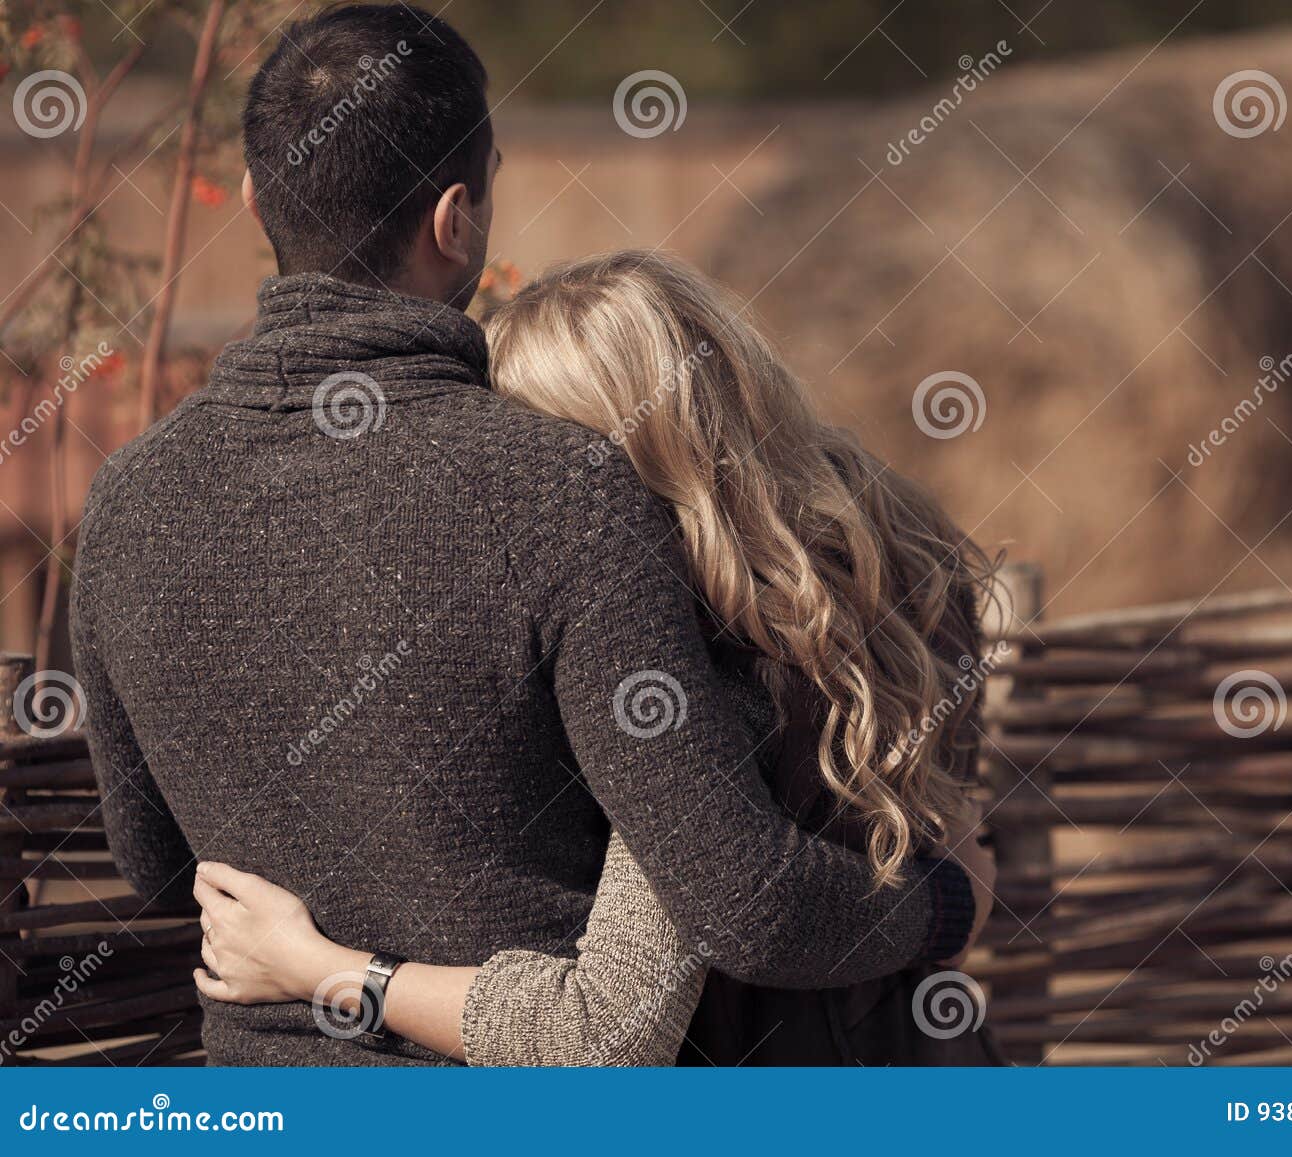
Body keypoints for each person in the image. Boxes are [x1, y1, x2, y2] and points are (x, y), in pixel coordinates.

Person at [69, 5, 986, 1067]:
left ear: (267, 201)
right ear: (456, 218)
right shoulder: (561, 488)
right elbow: (740, 899)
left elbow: (149, 857)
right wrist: (945, 900)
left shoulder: (127, 496)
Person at [191, 251, 1006, 1066]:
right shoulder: (898, 564)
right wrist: (944, 903)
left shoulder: (689, 664)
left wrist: (319, 968)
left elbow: (599, 1033)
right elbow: (963, 858)